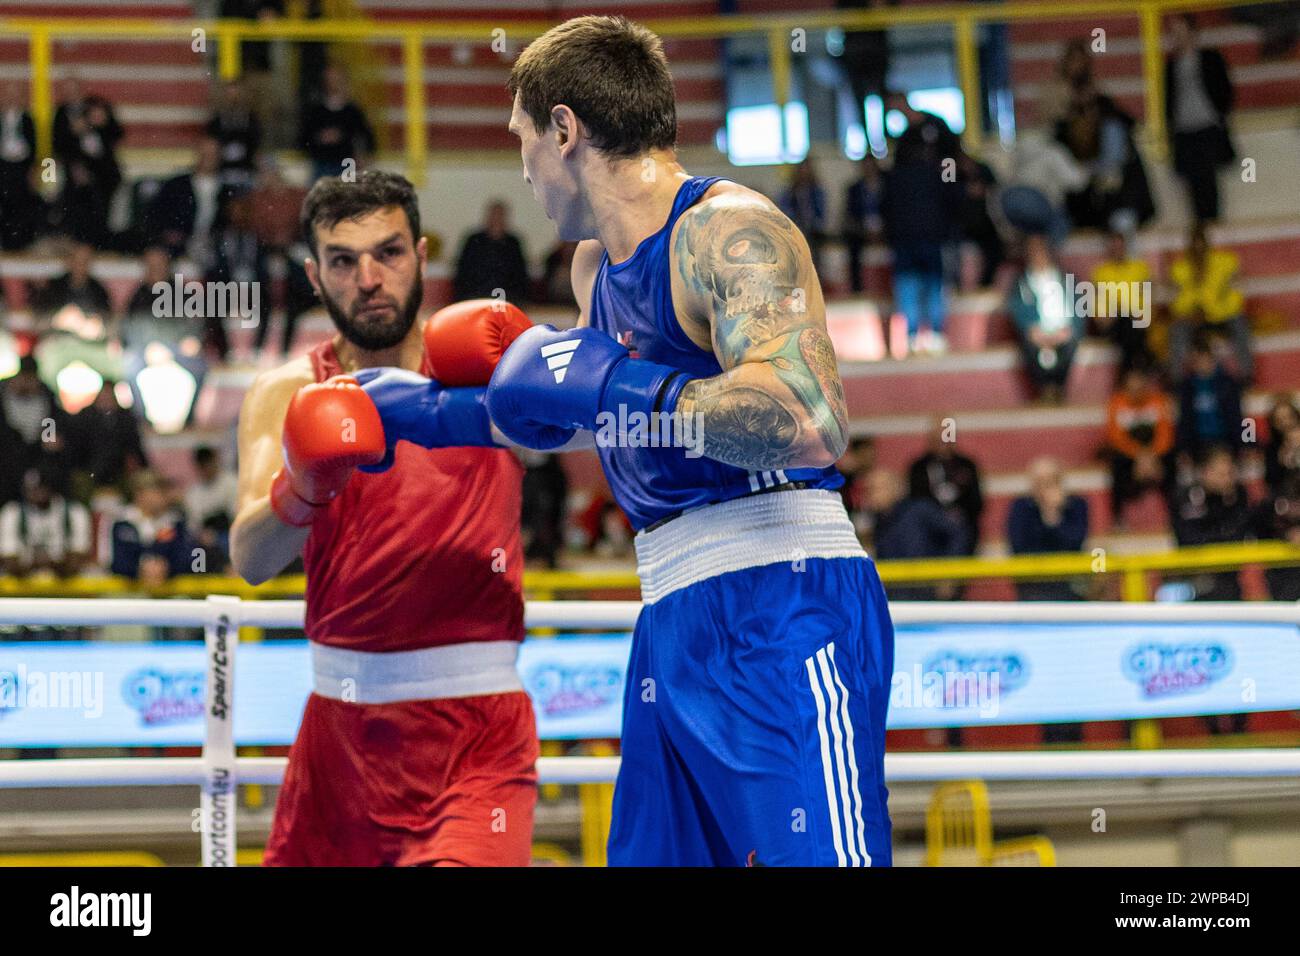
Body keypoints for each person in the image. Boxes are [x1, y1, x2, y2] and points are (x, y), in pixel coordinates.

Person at [486, 16, 893, 866]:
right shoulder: (592, 269)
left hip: (785, 602)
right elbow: (619, 413)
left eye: (522, 140)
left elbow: (812, 419)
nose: (522, 170)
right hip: (669, 613)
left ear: (564, 130)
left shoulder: (729, 231)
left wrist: (624, 385)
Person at [228, 170, 539, 866]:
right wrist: (303, 484)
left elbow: (604, 430)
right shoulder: (287, 391)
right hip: (338, 733)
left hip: (475, 729)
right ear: (315, 274)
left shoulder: (488, 368)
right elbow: (250, 559)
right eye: (343, 260)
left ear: (423, 256)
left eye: (389, 253)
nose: (369, 278)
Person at [1165, 14, 1235, 223]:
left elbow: (1225, 89)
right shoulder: (1170, 65)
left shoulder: (1211, 58)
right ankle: (1200, 227)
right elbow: (1168, 100)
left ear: (1191, 31)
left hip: (1207, 127)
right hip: (1184, 130)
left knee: (1208, 181)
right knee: (1192, 185)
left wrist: (1220, 115)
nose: (1176, 36)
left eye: (1180, 30)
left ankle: (1213, 222)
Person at [864, 466, 966, 601]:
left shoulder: (920, 510)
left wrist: (950, 576)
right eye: (868, 490)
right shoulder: (876, 522)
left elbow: (958, 534)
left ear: (896, 489)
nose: (871, 495)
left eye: (876, 489)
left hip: (927, 592)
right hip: (894, 595)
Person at [1007, 234, 1086, 404]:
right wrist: (1031, 330)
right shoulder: (1022, 283)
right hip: (1036, 333)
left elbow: (1080, 308)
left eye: (1040, 251)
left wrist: (1069, 330)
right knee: (1028, 347)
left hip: (1064, 331)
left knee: (1070, 345)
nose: (1037, 256)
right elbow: (1016, 309)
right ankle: (1044, 390)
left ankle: (1059, 388)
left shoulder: (1067, 279)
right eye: (1033, 252)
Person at [1168, 223, 1252, 383]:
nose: (1199, 249)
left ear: (1207, 245)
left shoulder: (1226, 261)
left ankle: (1246, 376)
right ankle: (1177, 381)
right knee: (1177, 330)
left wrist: (1216, 310)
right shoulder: (1179, 268)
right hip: (1193, 318)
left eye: (1202, 244)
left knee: (1240, 324)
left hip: (1222, 315)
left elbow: (1236, 293)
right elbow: (1177, 302)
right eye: (1195, 245)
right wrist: (1191, 311)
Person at [1007, 456, 1089, 601]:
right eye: (1039, 482)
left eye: (1050, 481)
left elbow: (1075, 543)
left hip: (1069, 582)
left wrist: (1053, 514)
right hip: (1033, 583)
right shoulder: (1021, 508)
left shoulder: (1076, 505)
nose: (1044, 488)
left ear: (1060, 482)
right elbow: (1019, 548)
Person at [1106, 364, 1176, 530]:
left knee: (1173, 464)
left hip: (1155, 454)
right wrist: (1138, 455)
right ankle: (1117, 519)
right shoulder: (1117, 402)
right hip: (1130, 455)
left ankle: (1174, 514)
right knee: (1116, 466)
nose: (1136, 389)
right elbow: (1115, 437)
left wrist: (1151, 456)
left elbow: (1166, 433)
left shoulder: (1158, 400)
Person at [907, 415, 983, 556]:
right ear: (929, 438)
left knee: (960, 530)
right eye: (938, 436)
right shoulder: (918, 467)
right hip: (928, 526)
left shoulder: (967, 465)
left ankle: (954, 572)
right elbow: (915, 501)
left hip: (961, 525)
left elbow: (976, 502)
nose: (943, 440)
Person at [0, 464, 92, 578]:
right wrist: (39, 563)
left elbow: (76, 561)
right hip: (23, 586)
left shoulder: (74, 512)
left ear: (51, 488)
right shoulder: (12, 512)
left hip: (66, 585)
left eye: (41, 487)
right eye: (32, 489)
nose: (37, 493)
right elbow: (9, 561)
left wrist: (47, 563)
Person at [108, 470, 193, 584]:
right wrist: (140, 569)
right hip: (128, 592)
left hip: (169, 591)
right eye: (158, 491)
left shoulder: (176, 523)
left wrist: (166, 568)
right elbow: (114, 562)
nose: (165, 496)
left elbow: (188, 558)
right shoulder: (121, 523)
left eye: (164, 491)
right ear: (140, 494)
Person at [1090, 229, 1153, 376]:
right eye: (1114, 246)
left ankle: (1127, 375)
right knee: (1126, 325)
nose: (1117, 250)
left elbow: (1148, 298)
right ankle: (1142, 366)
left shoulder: (1140, 268)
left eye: (1120, 246)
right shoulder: (1100, 272)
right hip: (1112, 322)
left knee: (1130, 326)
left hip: (1136, 320)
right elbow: (1097, 306)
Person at [299, 64, 375, 182]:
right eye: (330, 79)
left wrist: (363, 156)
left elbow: (368, 137)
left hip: (346, 162)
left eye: (336, 79)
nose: (333, 83)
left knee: (348, 195)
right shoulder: (316, 111)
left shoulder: (353, 111)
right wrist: (320, 138)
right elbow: (303, 139)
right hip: (322, 163)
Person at [452, 199, 530, 305]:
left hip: (508, 299)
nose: (496, 219)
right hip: (476, 297)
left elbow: (520, 274)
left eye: (500, 216)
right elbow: (463, 272)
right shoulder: (474, 241)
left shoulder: (513, 243)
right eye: (494, 215)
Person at [842, 155, 885, 295]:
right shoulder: (854, 189)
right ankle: (856, 289)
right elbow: (850, 214)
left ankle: (892, 285)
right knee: (852, 243)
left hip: (885, 228)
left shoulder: (886, 185)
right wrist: (864, 230)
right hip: (862, 230)